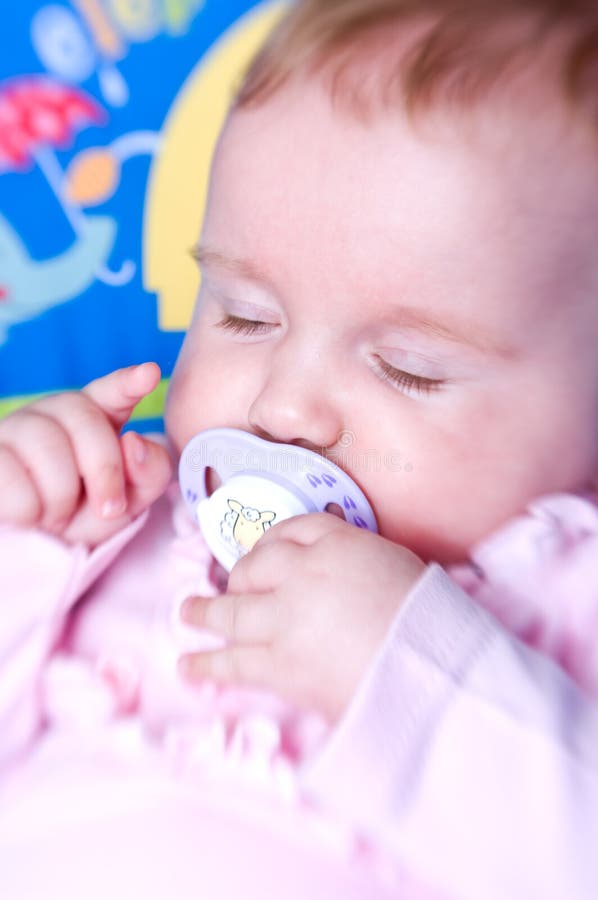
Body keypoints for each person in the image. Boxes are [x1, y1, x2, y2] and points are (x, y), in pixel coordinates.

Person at [1, 1, 598, 897]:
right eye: (244, 315)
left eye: (408, 370)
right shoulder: (127, 511)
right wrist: (25, 541)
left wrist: (408, 672)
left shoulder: (567, 596)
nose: (281, 407)